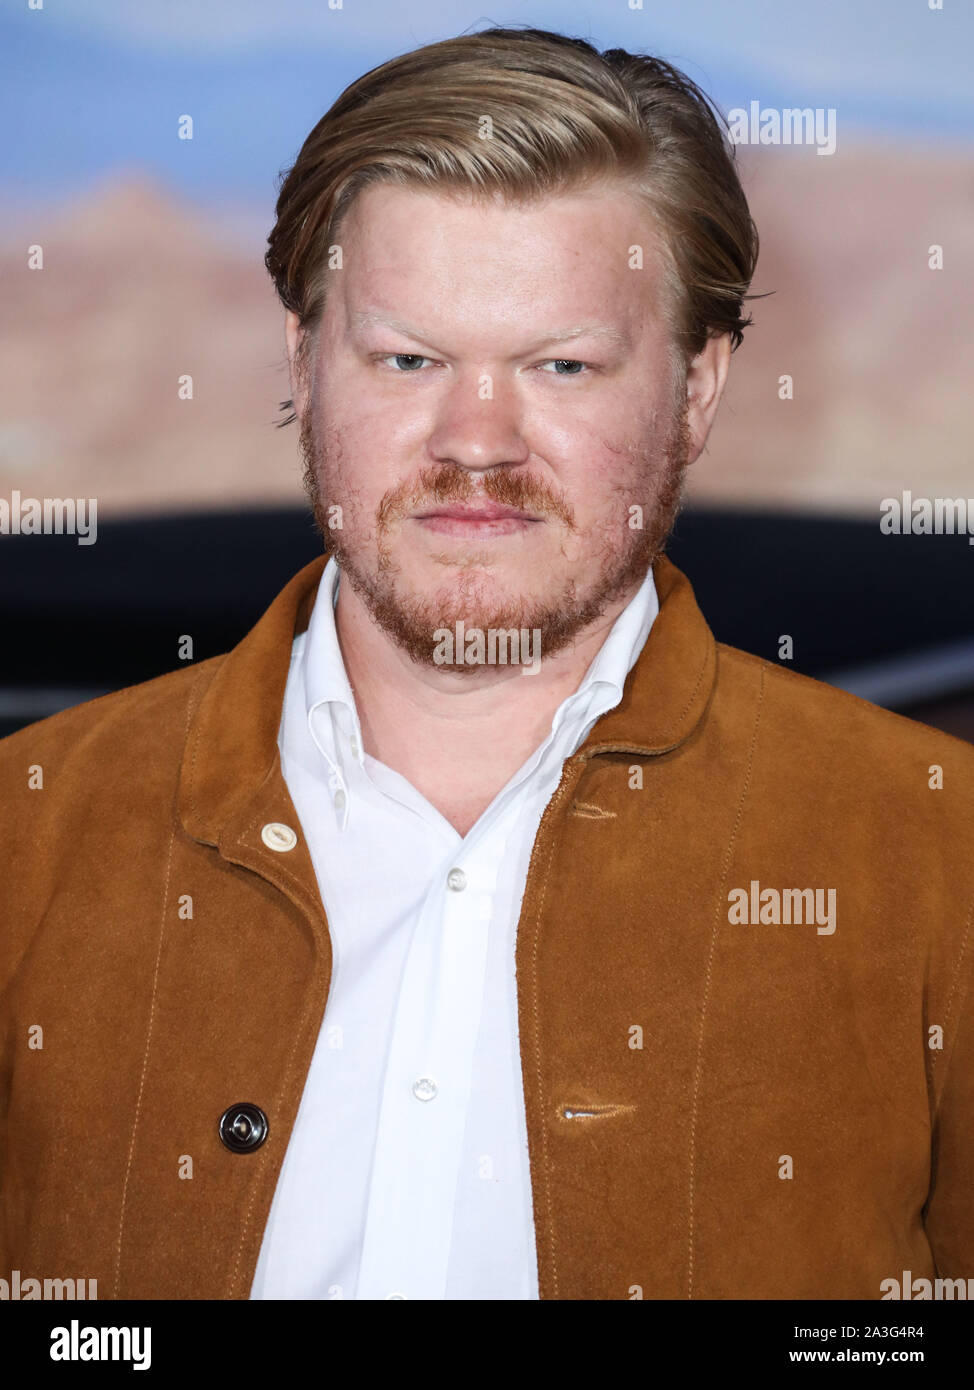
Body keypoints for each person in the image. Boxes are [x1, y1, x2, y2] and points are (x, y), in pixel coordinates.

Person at [1, 27, 972, 1303]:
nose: (475, 440)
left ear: (695, 388)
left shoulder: (935, 854)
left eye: (561, 365)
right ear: (302, 363)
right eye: (406, 358)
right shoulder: (31, 833)